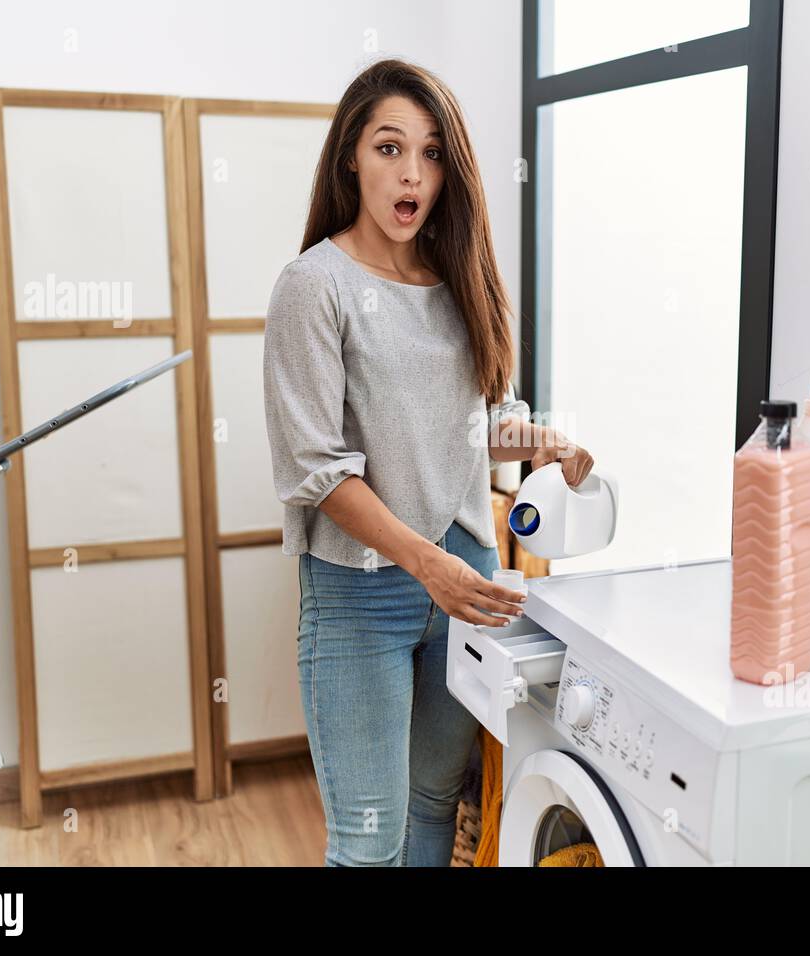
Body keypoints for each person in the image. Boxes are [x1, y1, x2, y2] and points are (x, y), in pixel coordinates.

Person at [263, 58, 594, 866]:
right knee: (369, 837)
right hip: (360, 592)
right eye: (389, 148)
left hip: (468, 583)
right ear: (351, 157)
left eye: (434, 153)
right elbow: (318, 469)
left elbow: (483, 422)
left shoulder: (459, 280)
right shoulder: (315, 285)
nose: (413, 173)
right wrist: (427, 565)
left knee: (432, 807)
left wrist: (547, 441)